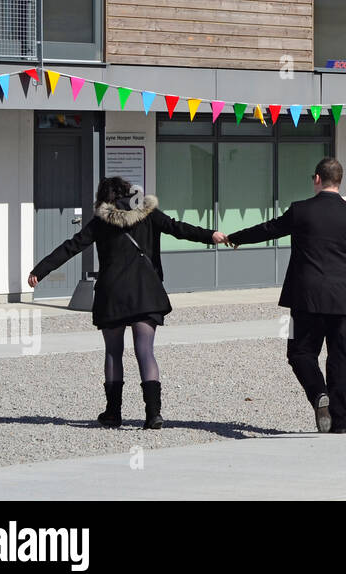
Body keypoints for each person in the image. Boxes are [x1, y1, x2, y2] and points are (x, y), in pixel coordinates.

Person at [27, 177, 228, 429]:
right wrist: (212, 235)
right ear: (130, 193)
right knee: (145, 351)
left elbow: (73, 246)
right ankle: (153, 414)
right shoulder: (149, 214)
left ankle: (113, 414)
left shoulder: (101, 221)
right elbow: (179, 229)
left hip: (113, 295)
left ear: (105, 198)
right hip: (146, 292)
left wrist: (40, 270)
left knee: (114, 352)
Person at [227, 157, 346, 434]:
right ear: (339, 180)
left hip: (305, 300)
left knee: (300, 353)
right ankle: (338, 423)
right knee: (341, 359)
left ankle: (317, 393)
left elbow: (269, 229)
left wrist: (236, 237)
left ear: (317, 179)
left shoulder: (301, 211)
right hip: (342, 301)